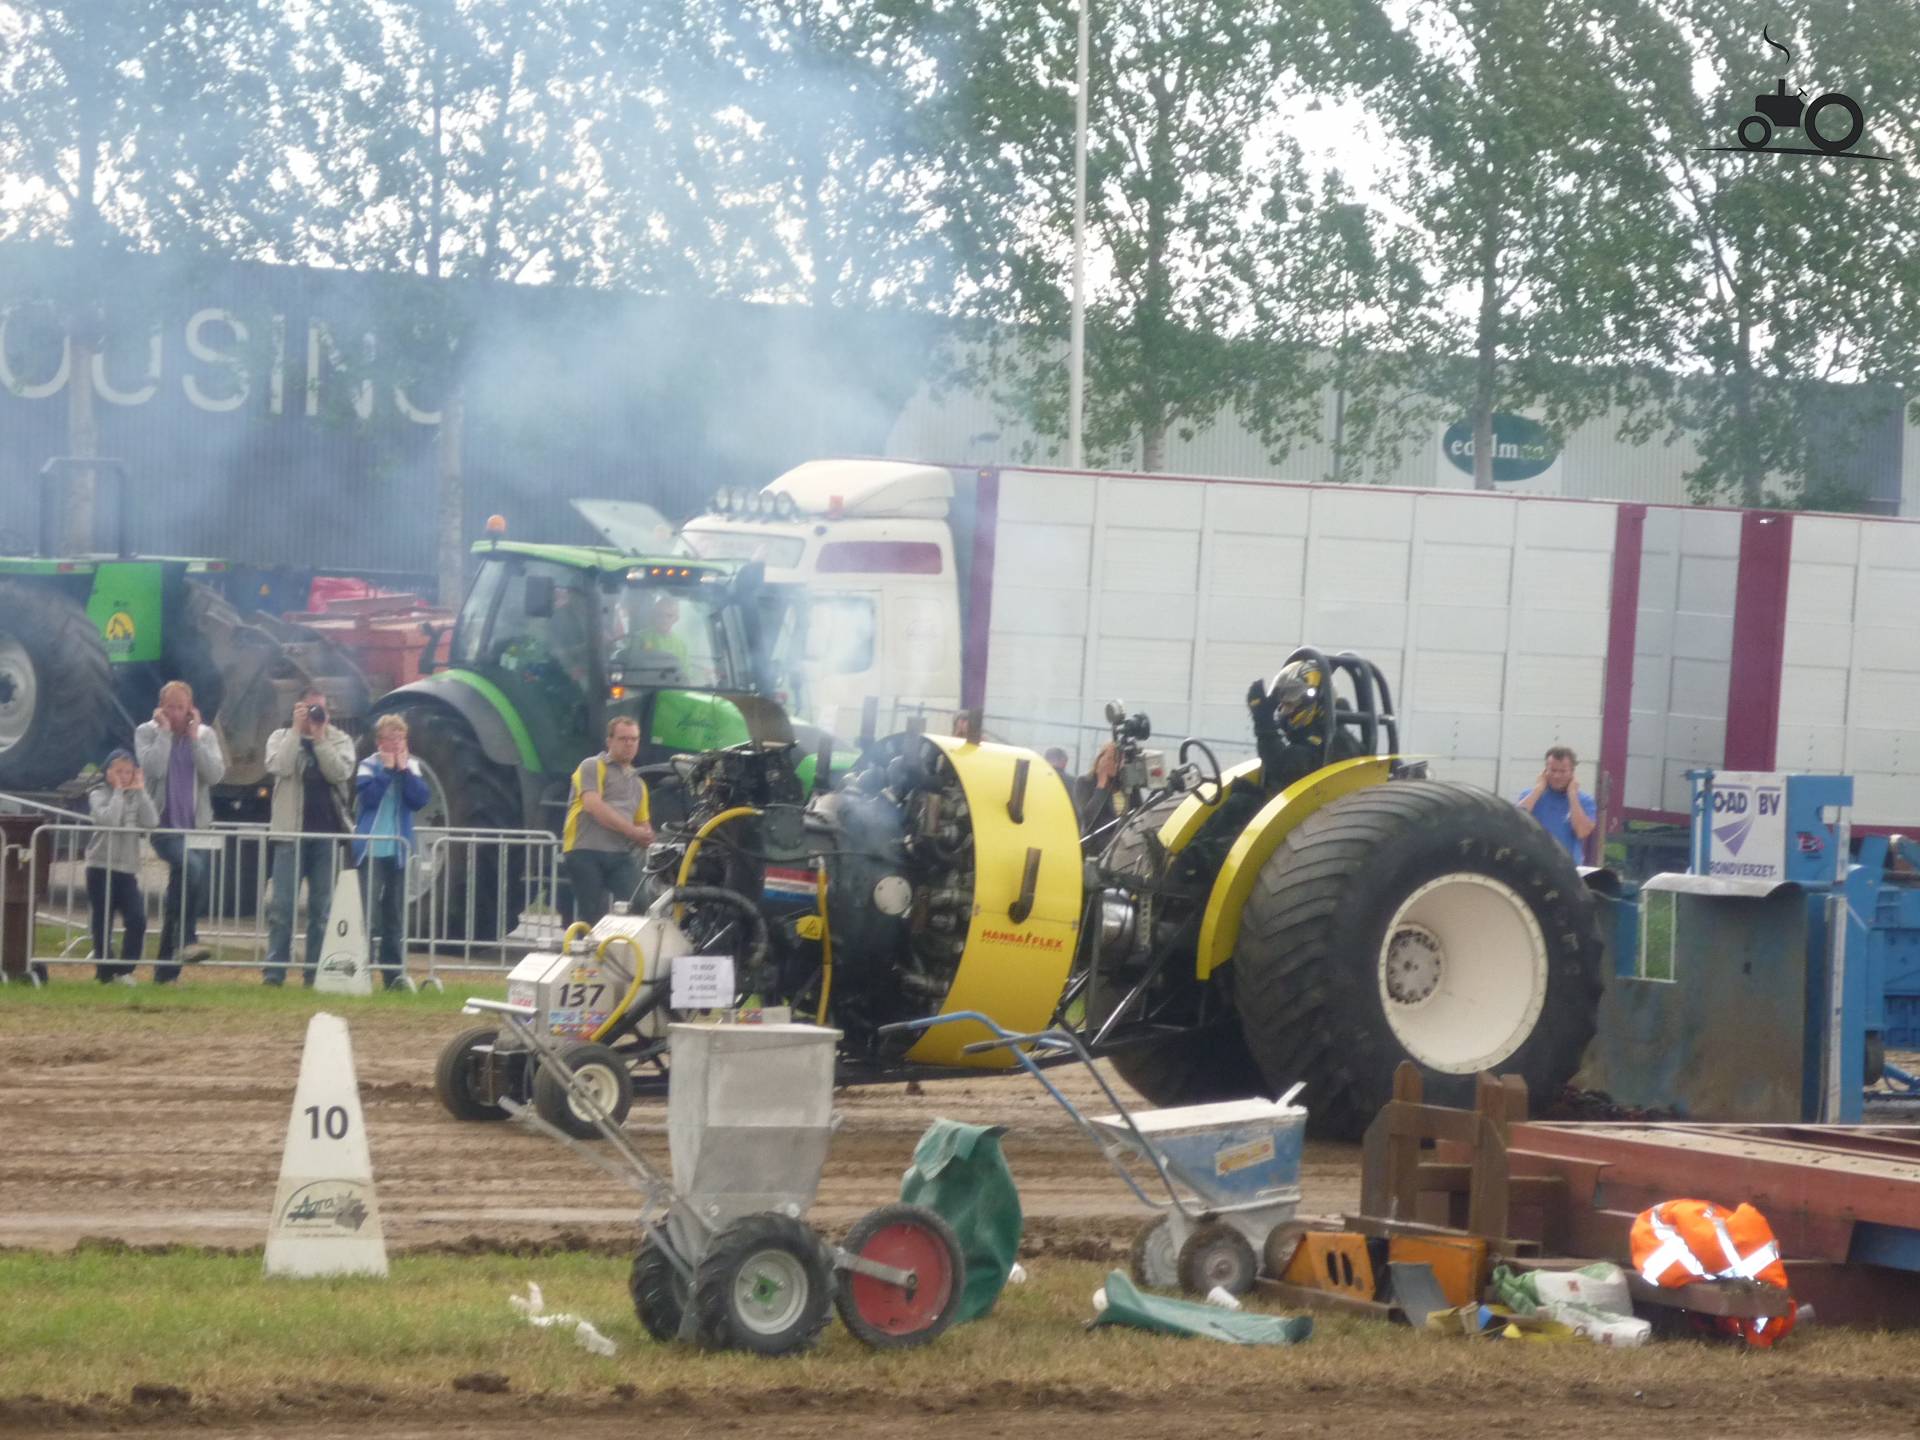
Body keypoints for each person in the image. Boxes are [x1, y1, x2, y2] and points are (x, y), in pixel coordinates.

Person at [262, 689, 354, 987]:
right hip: (289, 834)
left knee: (321, 910)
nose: (316, 714)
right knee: (282, 908)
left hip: (325, 836)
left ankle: (313, 975)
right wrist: (295, 732)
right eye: (310, 709)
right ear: (297, 708)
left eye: (320, 710)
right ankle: (274, 973)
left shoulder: (339, 740)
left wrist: (319, 738)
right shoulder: (280, 737)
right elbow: (279, 766)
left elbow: (339, 772)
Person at [135, 680, 225, 981]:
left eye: (180, 707)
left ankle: (165, 970)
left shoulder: (205, 735)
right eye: (170, 707)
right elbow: (154, 769)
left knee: (183, 889)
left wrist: (195, 738)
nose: (175, 713)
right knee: (192, 867)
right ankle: (188, 939)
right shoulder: (146, 732)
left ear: (191, 710)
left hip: (196, 826)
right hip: (162, 825)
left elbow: (214, 775)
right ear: (161, 707)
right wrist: (164, 734)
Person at [353, 714, 429, 990]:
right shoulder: (367, 765)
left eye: (401, 739)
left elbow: (419, 799)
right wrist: (386, 771)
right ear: (380, 741)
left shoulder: (413, 766)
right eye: (391, 739)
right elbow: (368, 799)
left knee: (395, 916)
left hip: (398, 850)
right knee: (367, 915)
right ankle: (360, 970)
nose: (397, 744)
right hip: (370, 850)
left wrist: (404, 771)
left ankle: (393, 975)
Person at [562, 715, 654, 925]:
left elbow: (643, 823)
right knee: (594, 912)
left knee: (639, 903)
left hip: (619, 853)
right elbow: (594, 806)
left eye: (634, 739)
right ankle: (588, 951)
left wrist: (647, 835)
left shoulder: (638, 783)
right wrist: (632, 832)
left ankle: (623, 950)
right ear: (609, 741)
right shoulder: (592, 766)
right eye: (623, 739)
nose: (629, 744)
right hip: (584, 850)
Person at [85, 749, 157, 985]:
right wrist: (117, 791)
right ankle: (105, 972)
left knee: (136, 918)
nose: (124, 776)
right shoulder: (97, 794)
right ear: (108, 773)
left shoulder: (136, 795)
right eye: (119, 772)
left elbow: (152, 821)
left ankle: (125, 969)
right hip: (100, 866)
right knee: (102, 921)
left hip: (127, 869)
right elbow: (110, 821)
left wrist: (141, 790)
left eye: (128, 772)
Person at [1516, 745, 1595, 862]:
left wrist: (1572, 795)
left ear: (1572, 772)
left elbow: (1582, 832)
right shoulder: (1529, 796)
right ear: (1545, 771)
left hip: (1567, 868)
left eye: (1563, 771)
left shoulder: (1585, 801)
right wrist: (1538, 789)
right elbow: (1515, 821)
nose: (1557, 776)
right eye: (1553, 770)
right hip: (1533, 865)